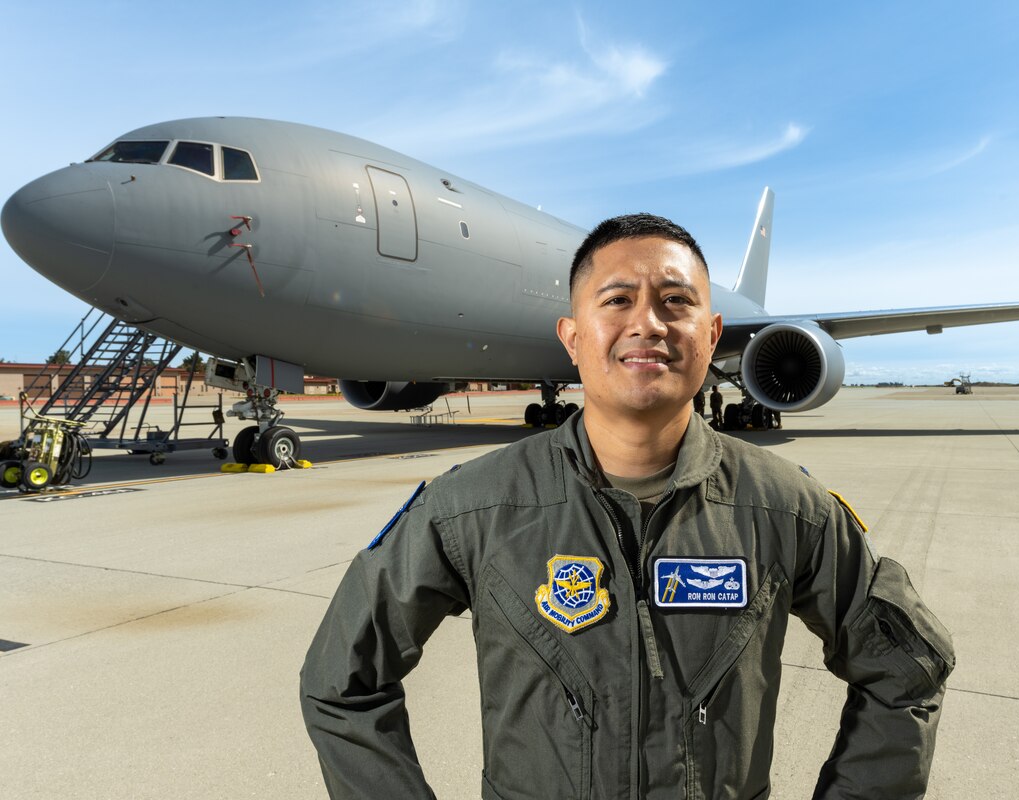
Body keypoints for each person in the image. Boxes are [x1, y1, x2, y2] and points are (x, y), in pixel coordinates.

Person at [300, 213, 954, 799]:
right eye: (617, 300)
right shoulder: (468, 507)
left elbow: (907, 666)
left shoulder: (788, 509)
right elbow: (341, 680)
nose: (647, 322)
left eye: (676, 302)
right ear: (572, 336)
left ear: (712, 332)